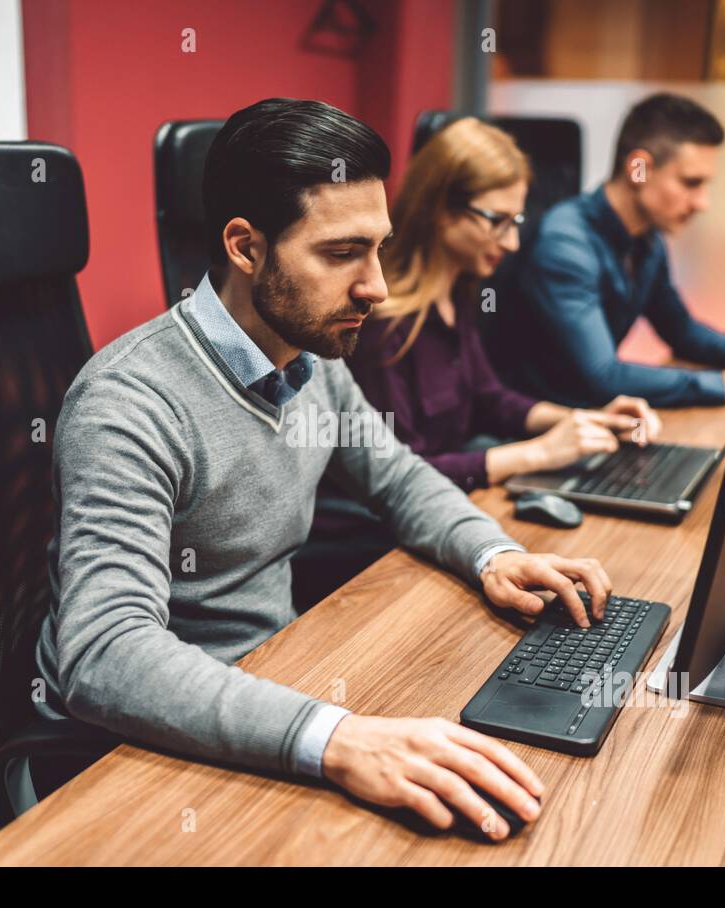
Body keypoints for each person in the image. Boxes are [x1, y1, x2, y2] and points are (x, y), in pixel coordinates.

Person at [31, 98, 620, 839]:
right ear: (246, 248)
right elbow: (105, 653)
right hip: (150, 746)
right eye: (343, 253)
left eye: (378, 248)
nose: (376, 285)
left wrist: (494, 552)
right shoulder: (130, 403)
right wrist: (338, 738)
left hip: (281, 681)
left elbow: (398, 478)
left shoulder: (308, 357)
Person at [348, 116, 661, 494]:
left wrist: (584, 421)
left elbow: (490, 399)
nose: (512, 242)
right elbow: (397, 474)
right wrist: (538, 454)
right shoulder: (380, 323)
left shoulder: (460, 292)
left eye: (516, 221)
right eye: (497, 221)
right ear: (441, 209)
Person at [487, 93, 725, 408]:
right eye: (690, 183)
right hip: (537, 430)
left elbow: (680, 330)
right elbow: (602, 375)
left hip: (591, 418)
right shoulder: (565, 243)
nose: (702, 203)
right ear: (637, 169)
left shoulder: (647, 239)